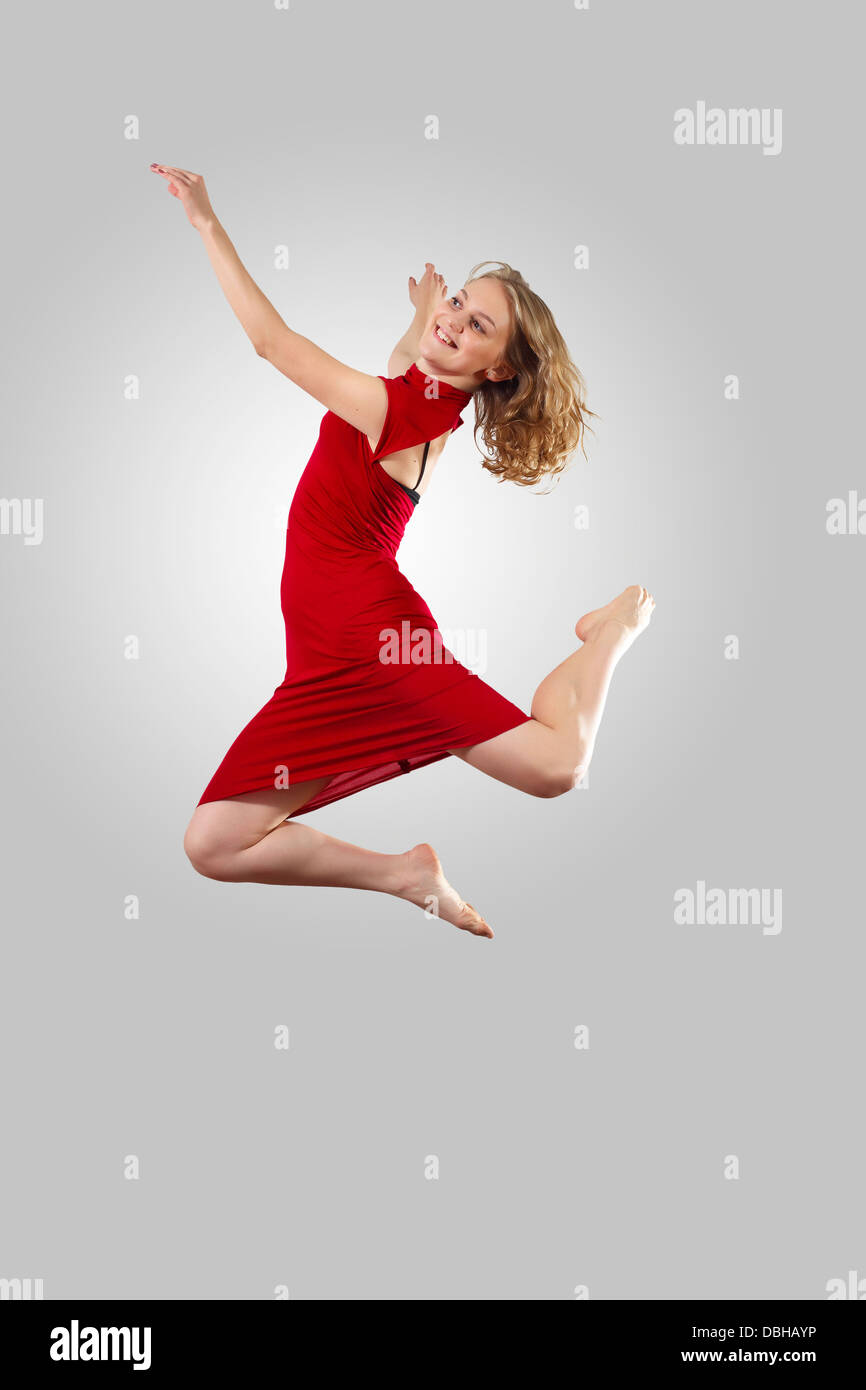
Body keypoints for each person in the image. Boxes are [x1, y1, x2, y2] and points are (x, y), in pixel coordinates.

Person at [150, 163, 655, 938]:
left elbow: (269, 342)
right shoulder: (415, 398)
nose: (454, 320)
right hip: (323, 653)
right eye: (460, 302)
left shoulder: (395, 410)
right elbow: (404, 365)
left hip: (380, 645)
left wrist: (207, 225)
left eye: (477, 326)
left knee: (559, 768)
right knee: (213, 843)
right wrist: (428, 311)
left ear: (499, 369)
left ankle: (613, 628)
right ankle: (403, 875)